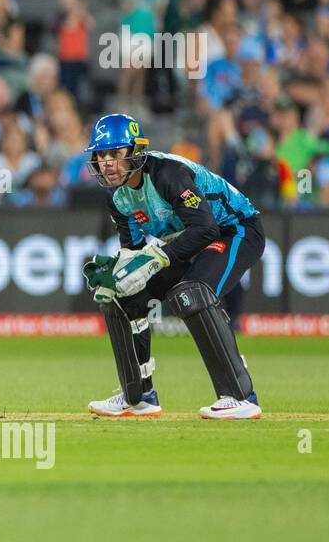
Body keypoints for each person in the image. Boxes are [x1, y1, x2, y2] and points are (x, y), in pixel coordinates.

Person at [80, 113, 264, 420]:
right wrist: (120, 274)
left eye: (115, 153)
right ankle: (138, 397)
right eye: (101, 155)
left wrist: (159, 255)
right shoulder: (119, 199)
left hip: (235, 230)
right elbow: (133, 251)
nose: (107, 163)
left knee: (192, 292)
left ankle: (241, 396)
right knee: (122, 297)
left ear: (135, 152)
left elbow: (205, 229)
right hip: (188, 240)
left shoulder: (168, 174)